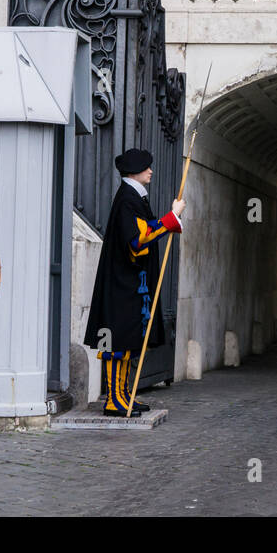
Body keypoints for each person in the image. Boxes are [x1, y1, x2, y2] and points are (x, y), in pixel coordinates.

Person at [84, 148, 185, 416]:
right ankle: (114, 399)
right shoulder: (128, 198)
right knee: (117, 341)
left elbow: (143, 229)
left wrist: (166, 221)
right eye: (146, 166)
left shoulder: (133, 196)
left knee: (127, 341)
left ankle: (124, 395)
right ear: (134, 171)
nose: (151, 170)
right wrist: (170, 218)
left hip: (131, 283)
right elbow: (137, 239)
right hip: (122, 284)